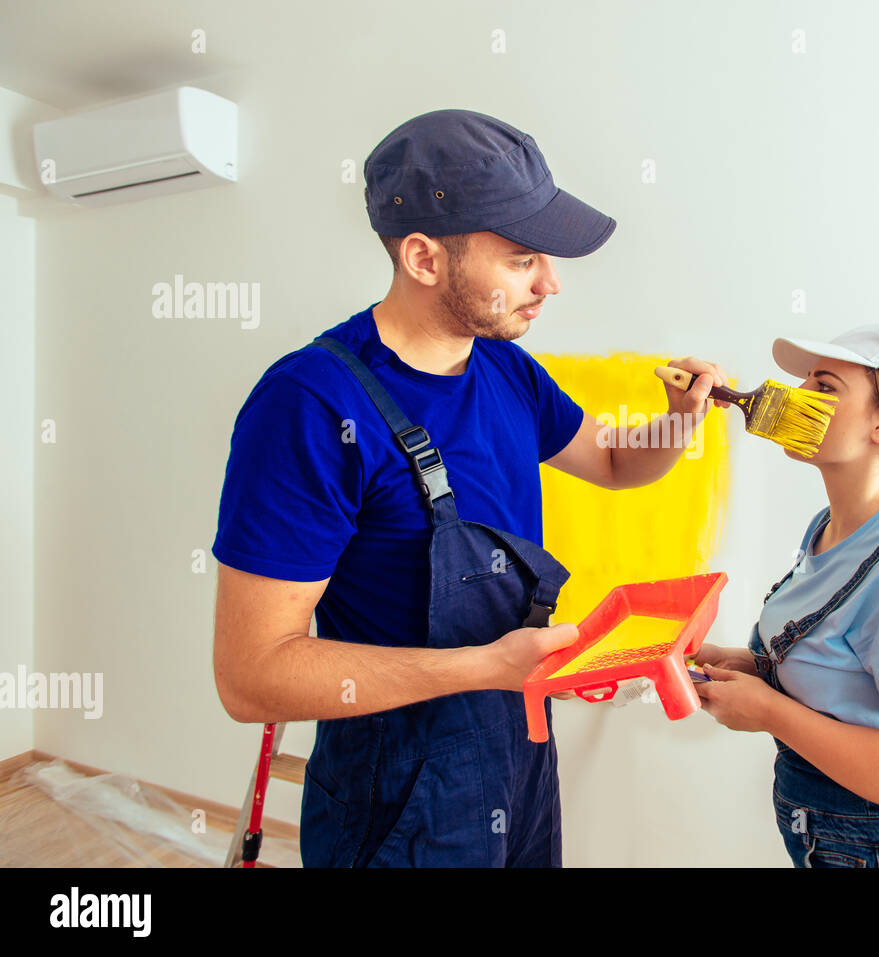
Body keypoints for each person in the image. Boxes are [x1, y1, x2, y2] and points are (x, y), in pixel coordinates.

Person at [211, 109, 729, 867]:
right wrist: (485, 667)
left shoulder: (506, 370)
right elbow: (251, 677)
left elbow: (616, 464)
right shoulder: (312, 404)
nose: (551, 283)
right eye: (522, 258)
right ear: (423, 257)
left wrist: (678, 423)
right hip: (397, 794)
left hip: (519, 751)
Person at [693, 324, 879, 867]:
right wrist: (756, 667)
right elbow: (847, 675)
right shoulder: (830, 529)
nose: (797, 395)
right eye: (805, 380)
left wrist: (770, 712)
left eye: (825, 386)